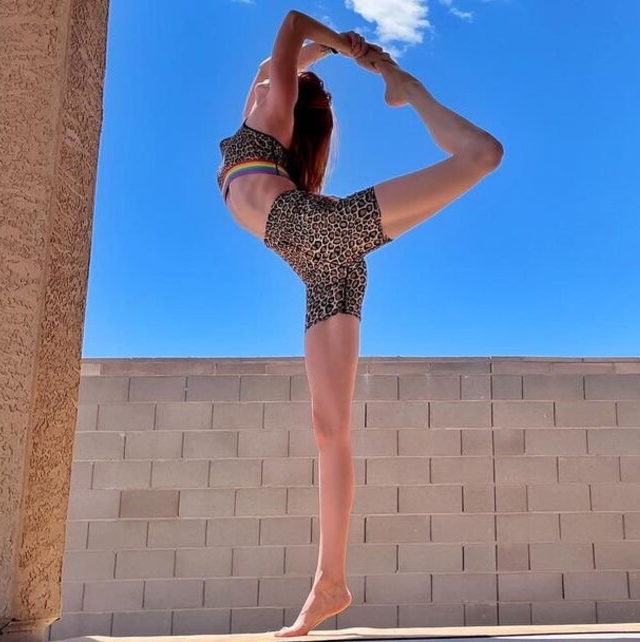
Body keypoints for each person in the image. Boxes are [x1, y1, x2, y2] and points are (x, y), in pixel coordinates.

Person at [215, 9, 503, 637]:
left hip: (326, 236)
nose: (266, 80)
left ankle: (409, 90)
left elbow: (289, 29)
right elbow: (273, 61)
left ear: (289, 97)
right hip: (323, 267)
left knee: (482, 154)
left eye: (280, 81)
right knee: (330, 430)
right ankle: (330, 582)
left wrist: (344, 48)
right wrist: (337, 52)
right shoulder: (263, 113)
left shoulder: (271, 108)